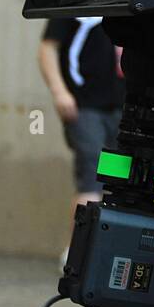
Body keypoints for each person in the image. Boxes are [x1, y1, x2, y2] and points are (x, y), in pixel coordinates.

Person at [38, 17, 125, 267]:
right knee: (92, 174)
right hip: (85, 106)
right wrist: (59, 92)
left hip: (120, 108)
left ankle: (104, 252)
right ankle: (77, 253)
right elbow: (47, 48)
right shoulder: (76, 6)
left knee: (116, 180)